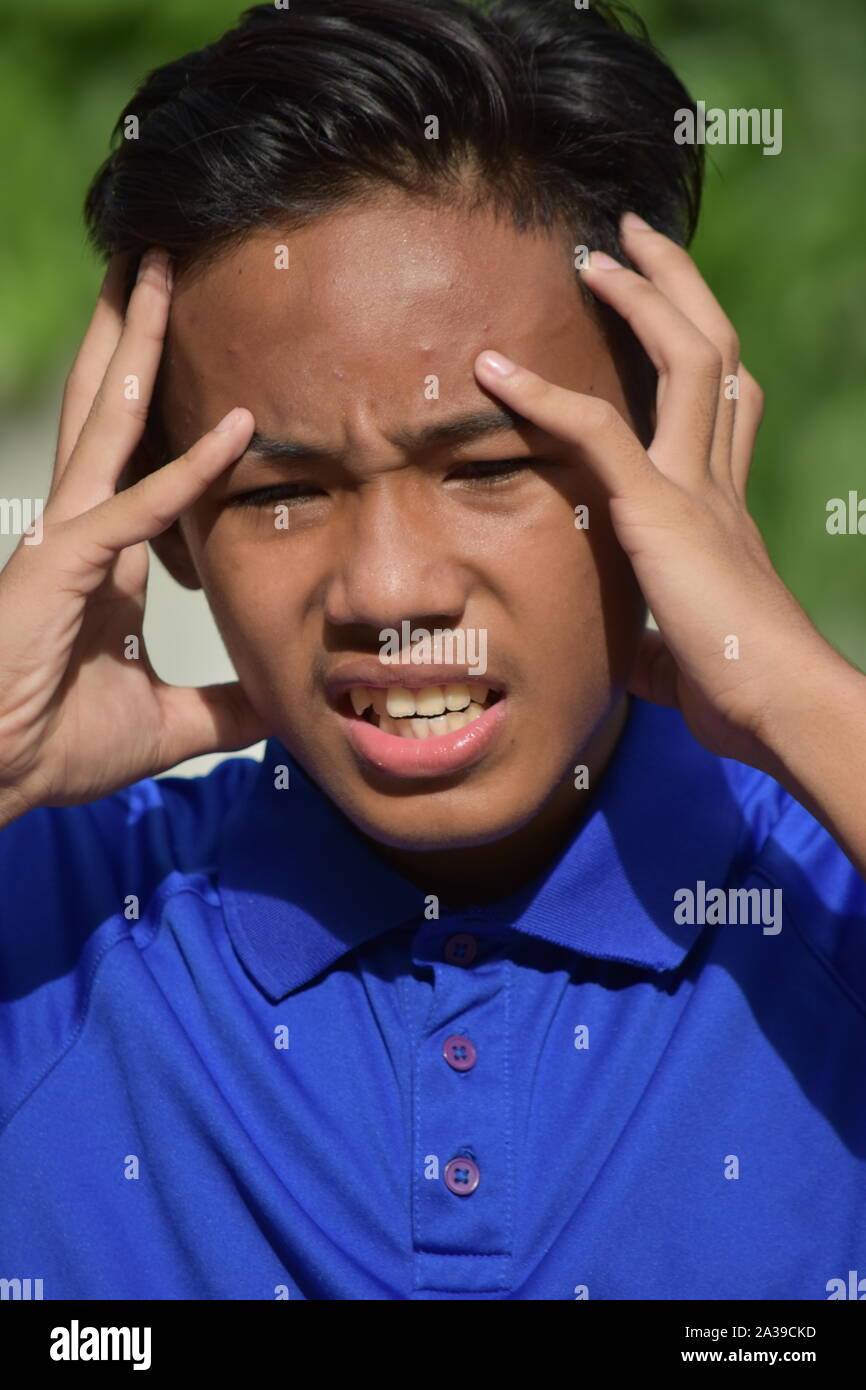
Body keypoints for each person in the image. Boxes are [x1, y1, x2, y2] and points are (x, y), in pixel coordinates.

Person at [1, 0, 864, 1302]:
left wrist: (792, 694)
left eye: (488, 467)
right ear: (169, 531)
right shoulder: (55, 929)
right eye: (277, 492)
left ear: (663, 472)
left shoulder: (823, 903)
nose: (387, 588)